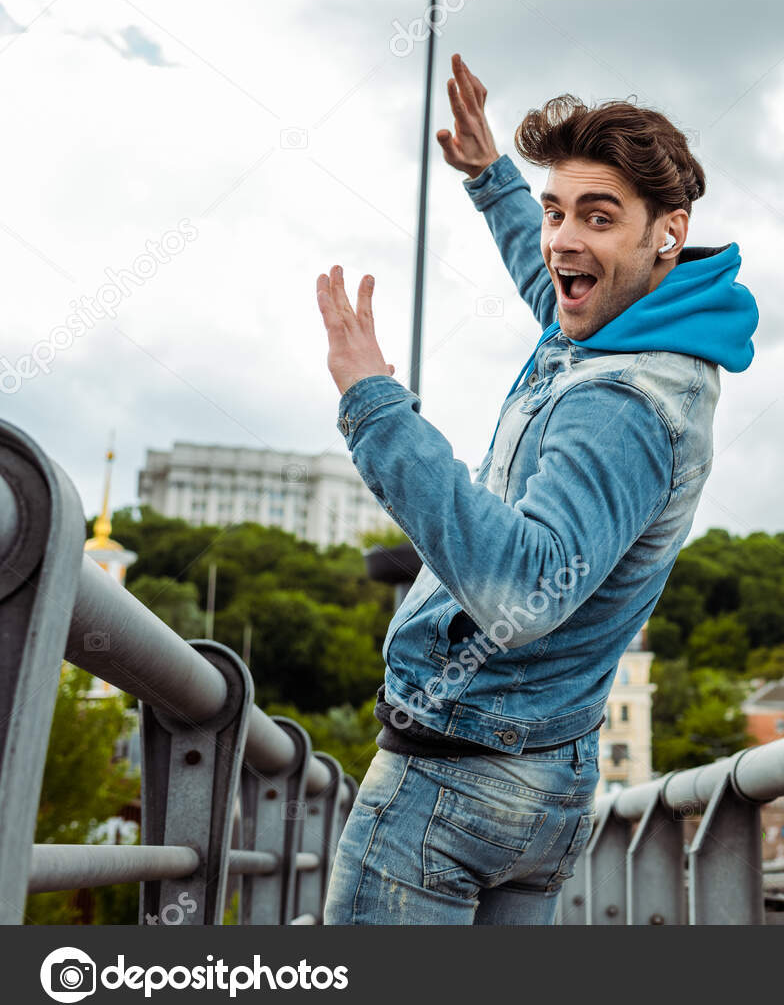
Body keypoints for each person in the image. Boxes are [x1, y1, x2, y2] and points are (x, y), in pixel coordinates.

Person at [317, 54, 758, 924]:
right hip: (545, 783)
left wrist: (375, 405)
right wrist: (493, 180)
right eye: (558, 212)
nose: (562, 238)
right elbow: (550, 275)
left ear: (667, 232)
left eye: (598, 216)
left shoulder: (621, 402)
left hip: (453, 779)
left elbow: (524, 589)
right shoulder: (634, 328)